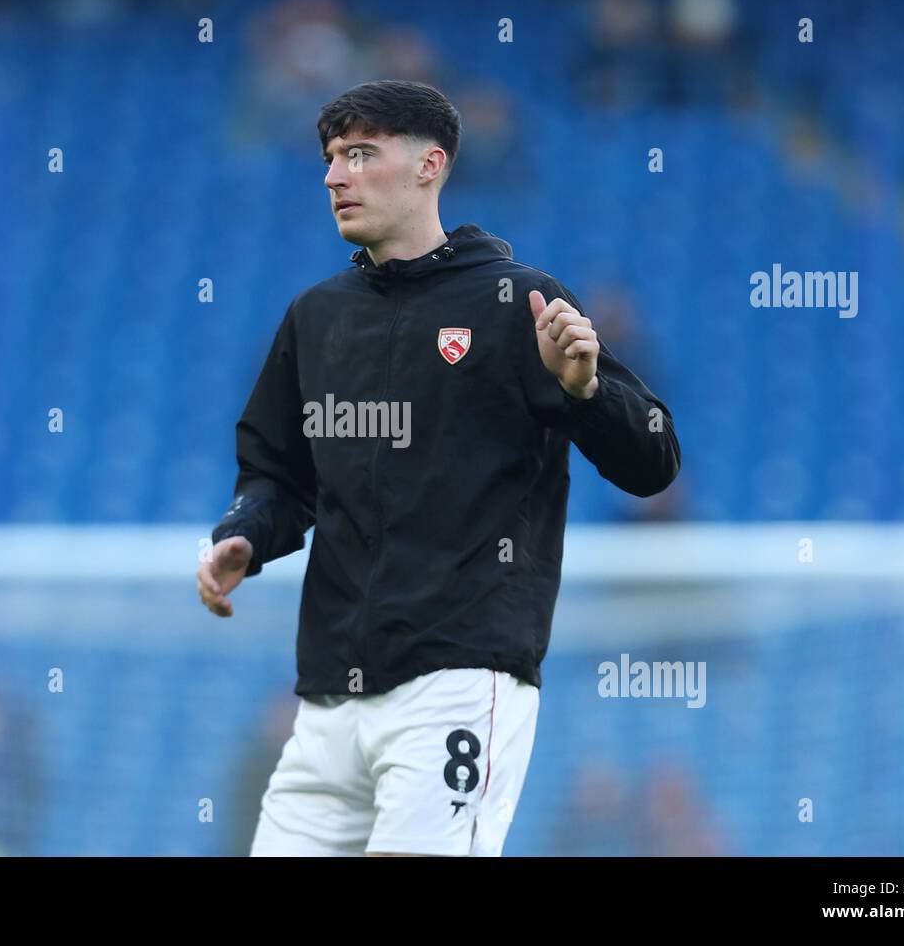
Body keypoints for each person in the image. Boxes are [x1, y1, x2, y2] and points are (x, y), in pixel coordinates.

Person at [197, 80, 681, 856]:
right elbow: (278, 475)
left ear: (431, 165)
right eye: (329, 159)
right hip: (329, 699)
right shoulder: (316, 318)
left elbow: (654, 459)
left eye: (359, 154)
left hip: (456, 682)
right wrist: (245, 534)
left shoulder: (517, 303)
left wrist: (584, 391)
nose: (334, 176)